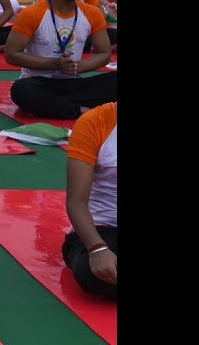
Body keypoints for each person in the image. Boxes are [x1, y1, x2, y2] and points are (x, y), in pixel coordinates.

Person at [4, 0, 116, 119]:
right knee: (21, 90)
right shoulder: (33, 13)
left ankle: (56, 106)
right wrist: (56, 64)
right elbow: (11, 55)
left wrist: (76, 67)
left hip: (73, 82)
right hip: (39, 83)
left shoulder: (92, 13)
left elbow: (104, 53)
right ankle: (81, 111)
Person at [64, 102, 118, 299]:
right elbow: (76, 202)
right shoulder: (95, 121)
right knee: (97, 275)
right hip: (103, 230)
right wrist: (97, 249)